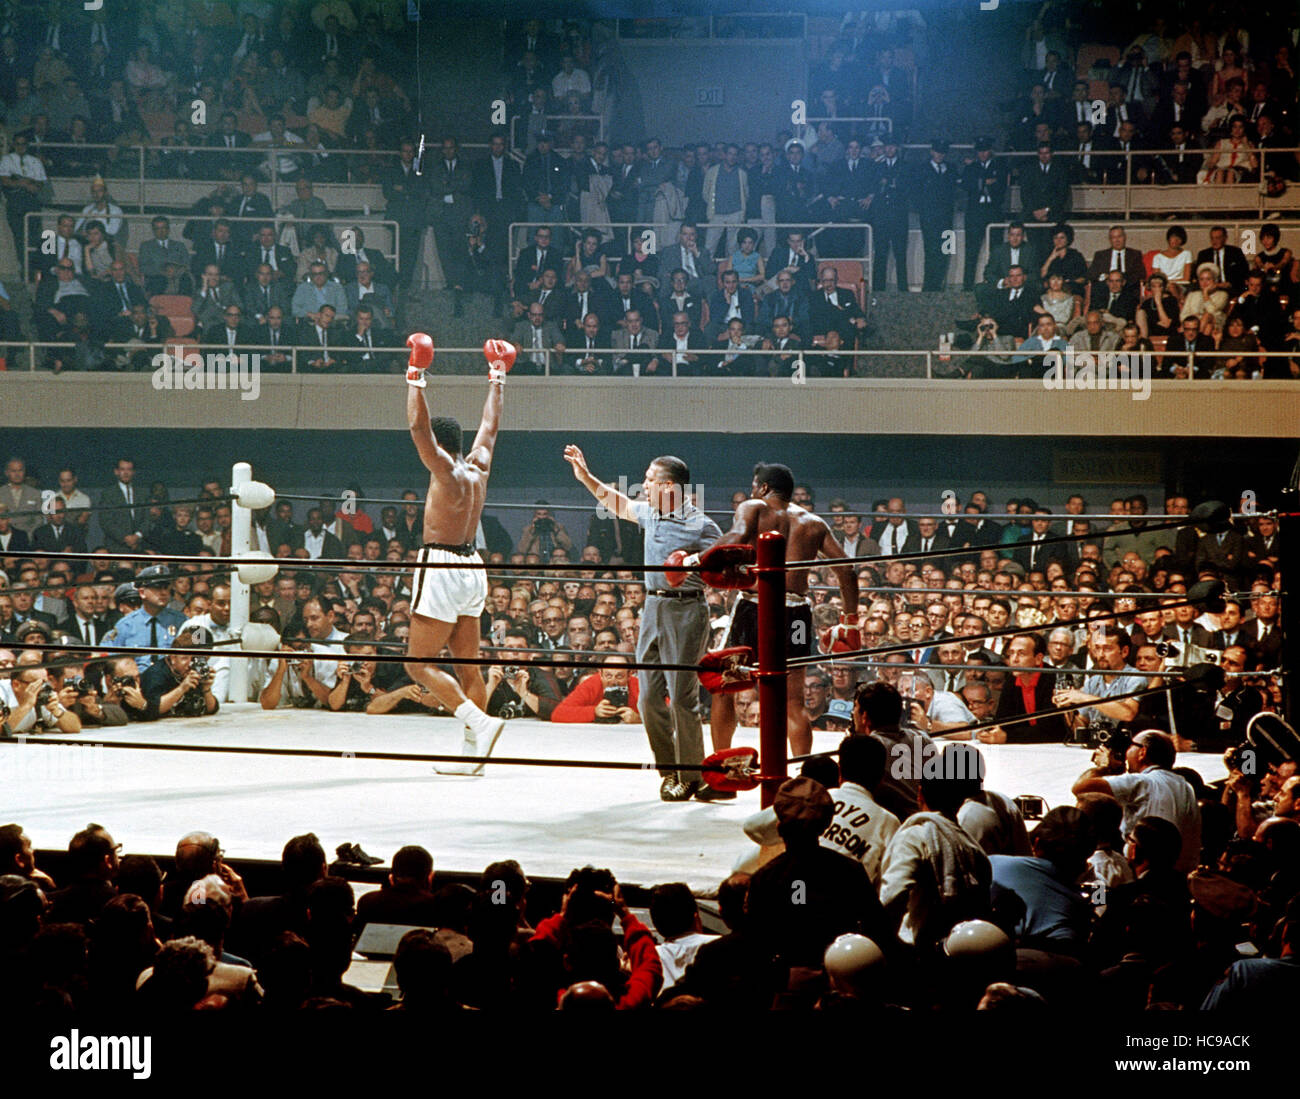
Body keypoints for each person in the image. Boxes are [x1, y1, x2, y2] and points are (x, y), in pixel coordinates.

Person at [563, 447, 722, 802]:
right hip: (652, 607)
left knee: (681, 697)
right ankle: (670, 771)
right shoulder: (651, 514)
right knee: (649, 697)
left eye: (650, 479)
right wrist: (585, 477)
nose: (644, 485)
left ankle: (692, 776)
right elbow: (617, 503)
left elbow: (725, 563)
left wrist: (693, 564)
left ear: (669, 486)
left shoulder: (701, 525)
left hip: (686, 609)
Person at [403, 335, 510, 775]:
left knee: (417, 664)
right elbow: (490, 426)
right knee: (469, 667)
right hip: (472, 566)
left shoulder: (445, 470)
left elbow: (418, 429)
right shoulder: (478, 465)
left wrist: (415, 376)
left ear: (439, 447)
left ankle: (479, 722)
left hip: (442, 566)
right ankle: (472, 758)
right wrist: (497, 377)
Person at [704, 462, 857, 762]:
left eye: (753, 486)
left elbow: (735, 538)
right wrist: (850, 620)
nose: (751, 492)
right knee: (792, 702)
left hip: (755, 606)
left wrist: (694, 560)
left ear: (762, 487)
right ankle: (803, 773)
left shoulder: (754, 507)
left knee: (725, 689)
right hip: (796, 613)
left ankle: (725, 768)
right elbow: (847, 571)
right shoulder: (814, 523)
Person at [1071, 729, 1201, 874]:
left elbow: (1081, 788)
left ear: (1142, 752)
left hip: (1147, 874)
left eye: (1130, 746)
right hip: (1183, 875)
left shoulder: (1142, 782)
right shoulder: (1185, 785)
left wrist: (1105, 767)